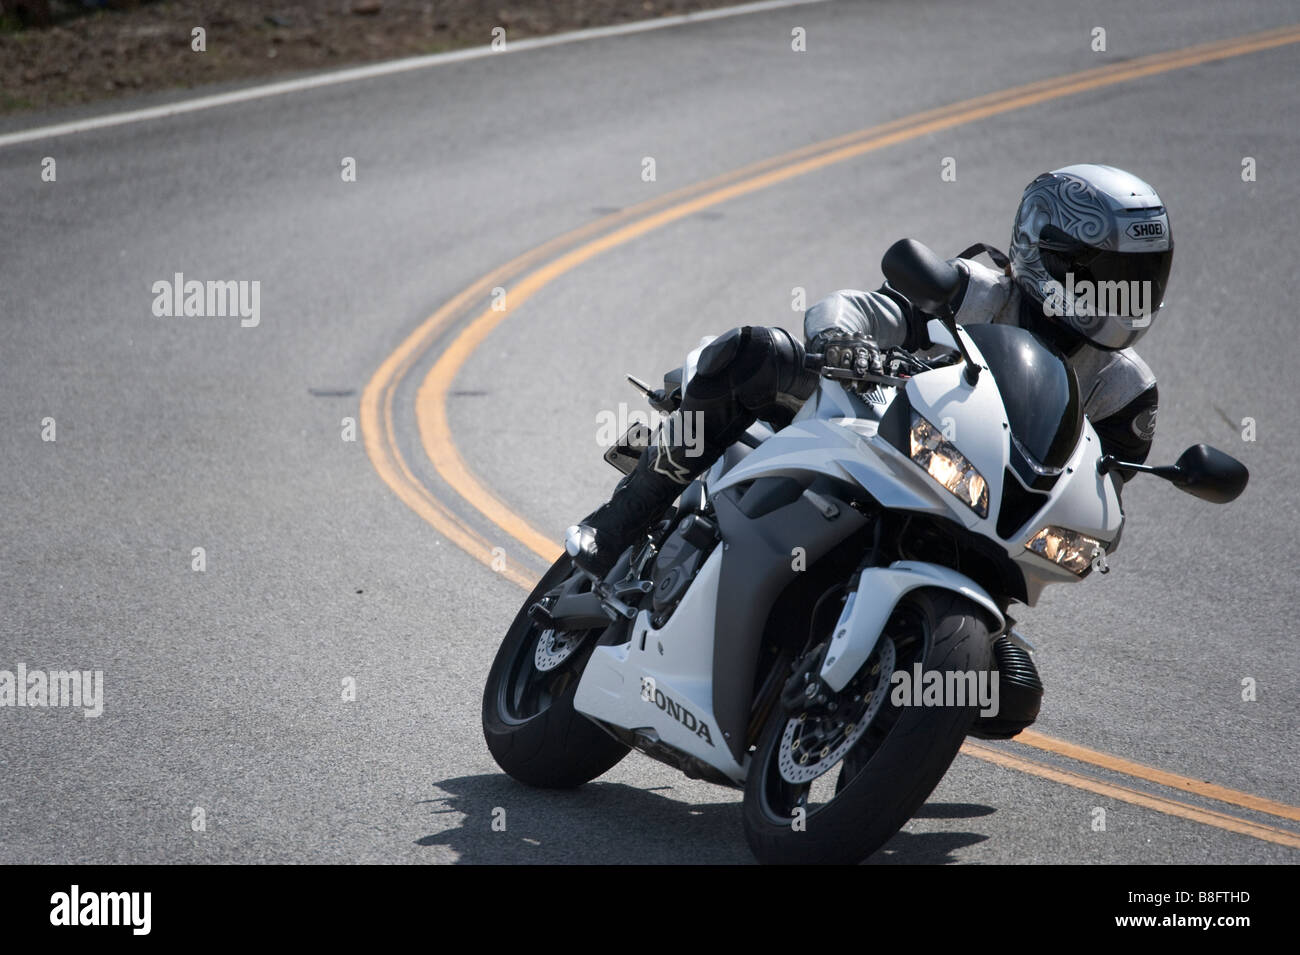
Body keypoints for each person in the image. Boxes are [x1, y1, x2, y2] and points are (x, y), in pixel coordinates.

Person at [565, 163, 1173, 578]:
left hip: (976, 507)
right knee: (758, 354)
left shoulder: (1126, 391)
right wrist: (841, 340)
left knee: (1010, 688)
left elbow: (1101, 493)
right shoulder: (975, 289)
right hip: (875, 420)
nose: (1121, 296)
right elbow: (857, 308)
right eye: (1106, 277)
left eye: (1138, 281)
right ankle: (624, 517)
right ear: (1046, 253)